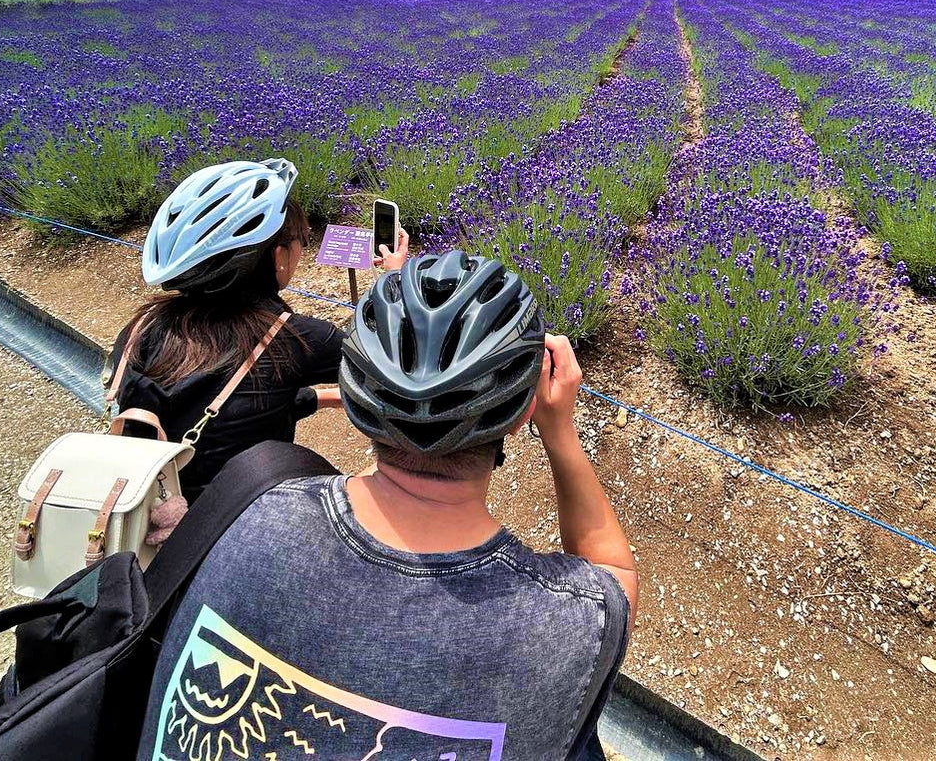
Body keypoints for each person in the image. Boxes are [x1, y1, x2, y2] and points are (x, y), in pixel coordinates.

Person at [136, 250, 637, 760]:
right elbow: (614, 573)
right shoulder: (565, 621)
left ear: (357, 395)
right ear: (524, 409)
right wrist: (559, 429)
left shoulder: (245, 511)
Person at [108, 158, 409, 503]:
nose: (301, 249)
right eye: (301, 239)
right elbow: (393, 361)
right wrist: (392, 280)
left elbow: (231, 401)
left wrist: (322, 398)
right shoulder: (291, 338)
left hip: (140, 509)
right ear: (278, 256)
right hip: (230, 522)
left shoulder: (141, 327)